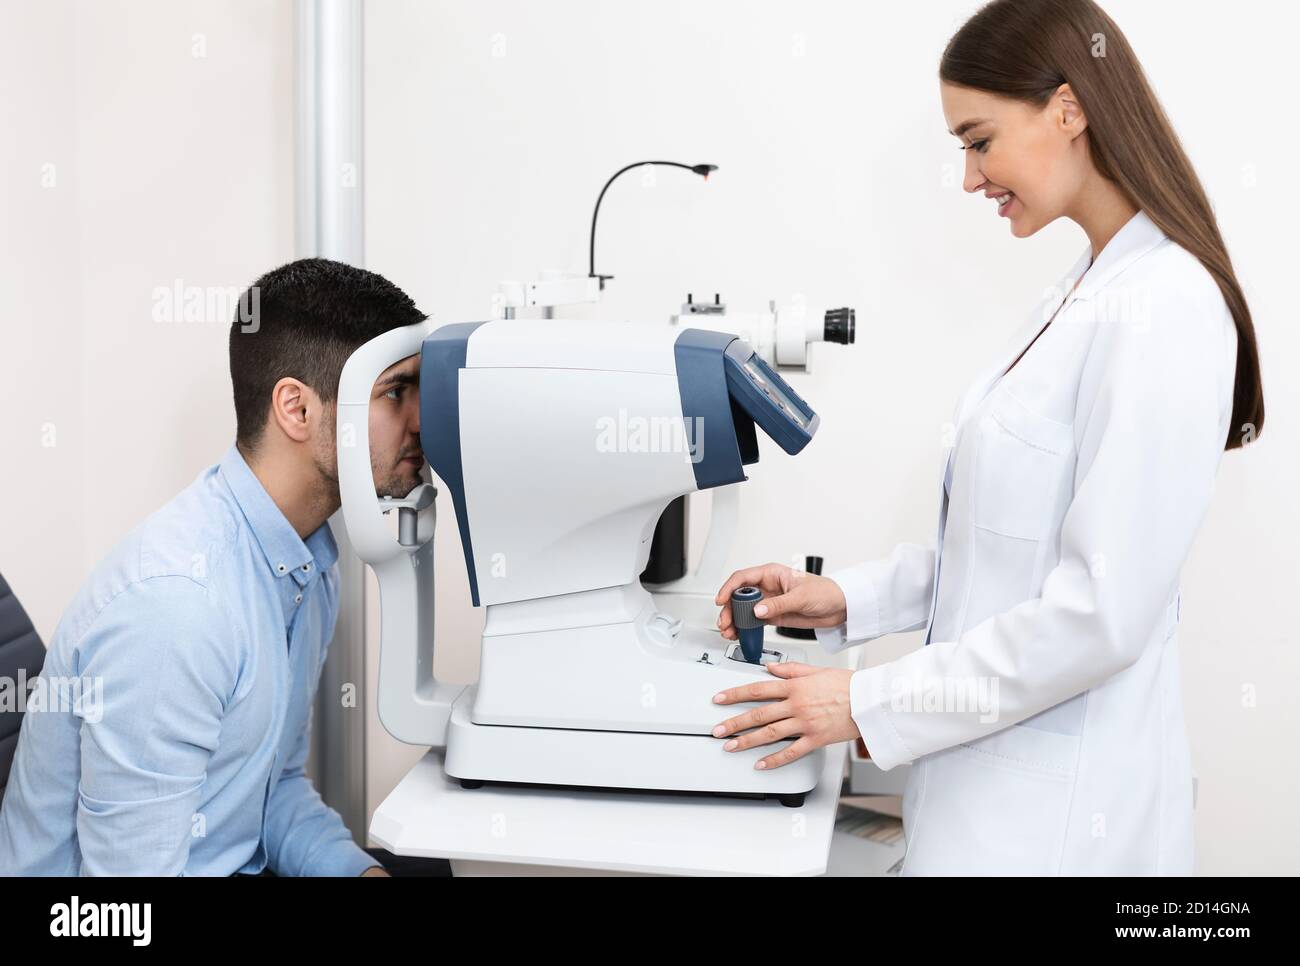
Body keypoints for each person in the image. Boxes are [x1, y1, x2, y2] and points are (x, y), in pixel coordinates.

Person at [711, 0, 1265, 875]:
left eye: (979, 141)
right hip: (985, 807)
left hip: (1063, 830)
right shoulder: (1083, 291)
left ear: (1069, 108)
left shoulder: (1166, 307)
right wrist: (848, 600)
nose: (970, 178)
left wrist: (870, 700)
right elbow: (1005, 557)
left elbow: (1099, 614)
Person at [0, 258, 441, 876]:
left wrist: (357, 873)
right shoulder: (179, 606)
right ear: (298, 409)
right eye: (396, 392)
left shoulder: (306, 562)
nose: (420, 419)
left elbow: (273, 789)